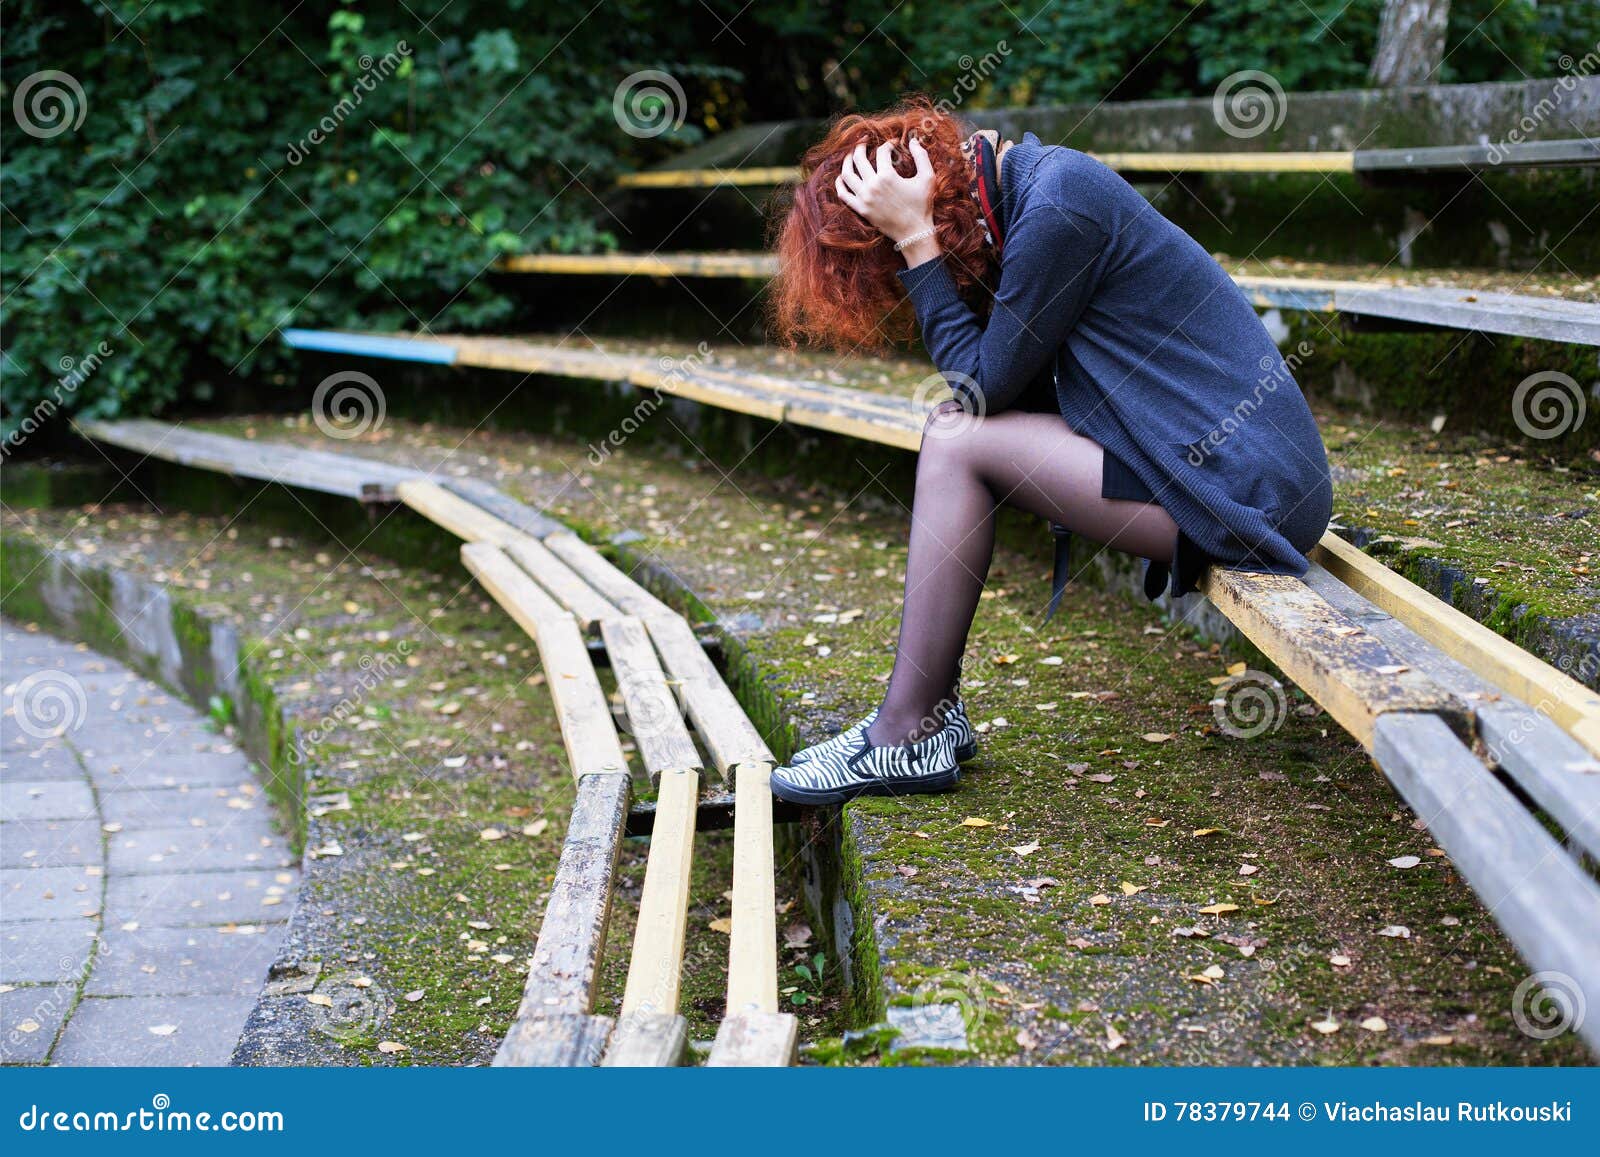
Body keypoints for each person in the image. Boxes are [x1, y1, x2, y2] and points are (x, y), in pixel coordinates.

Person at [765, 98, 1332, 805]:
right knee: (951, 431)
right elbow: (1002, 384)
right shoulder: (1031, 197)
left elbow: (982, 391)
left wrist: (914, 241)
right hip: (1206, 466)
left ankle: (906, 733)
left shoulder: (1060, 204)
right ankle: (924, 721)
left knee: (953, 438)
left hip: (1248, 492)